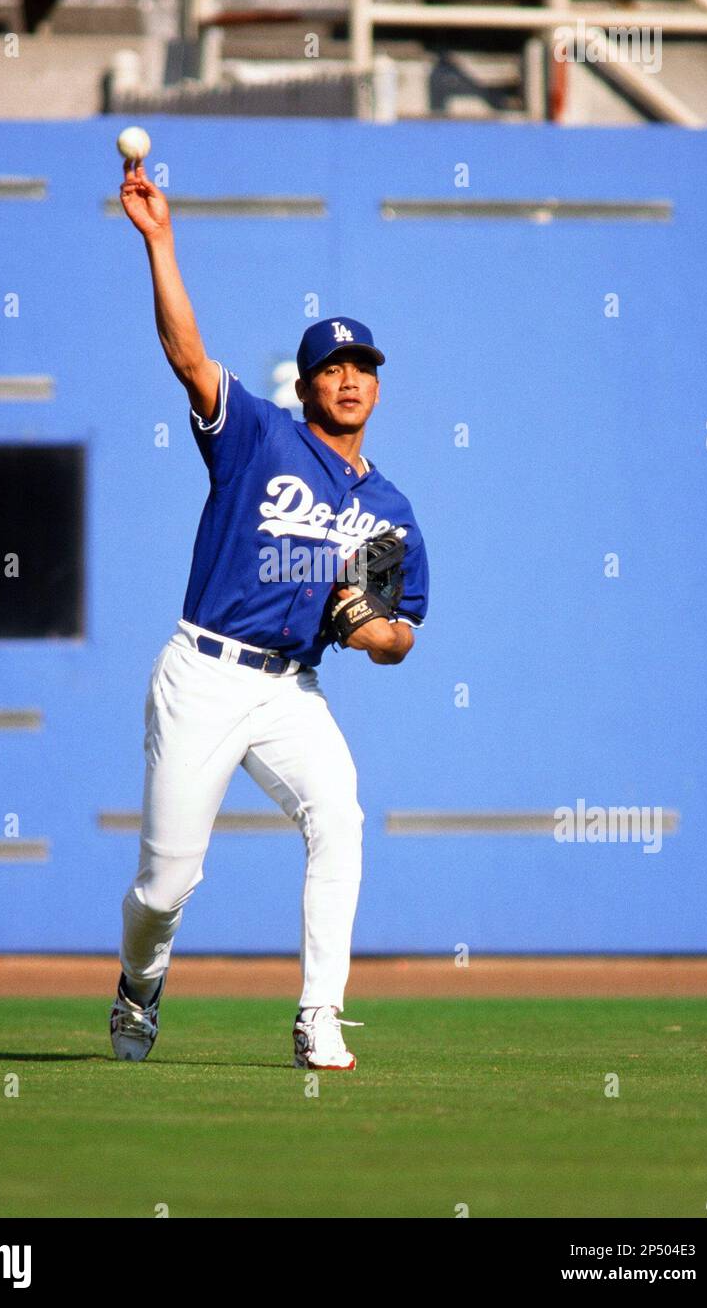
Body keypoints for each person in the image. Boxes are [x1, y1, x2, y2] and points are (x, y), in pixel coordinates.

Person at [110, 158, 429, 1070]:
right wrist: (161, 241)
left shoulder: (387, 508)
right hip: (205, 672)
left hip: (292, 687)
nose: (350, 378)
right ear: (306, 384)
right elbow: (184, 353)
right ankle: (140, 982)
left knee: (343, 818)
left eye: (362, 365)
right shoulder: (258, 435)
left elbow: (393, 633)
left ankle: (318, 1016)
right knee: (166, 886)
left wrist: (376, 630)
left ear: (377, 384)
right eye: (333, 366)